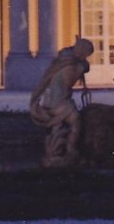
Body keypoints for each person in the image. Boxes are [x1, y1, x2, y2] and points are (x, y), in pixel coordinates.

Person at [29, 37, 93, 166]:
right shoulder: (76, 66)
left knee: (59, 125)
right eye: (86, 54)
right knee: (75, 122)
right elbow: (84, 67)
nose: (86, 57)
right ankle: (69, 150)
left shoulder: (61, 60)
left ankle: (56, 152)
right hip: (59, 101)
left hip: (49, 99)